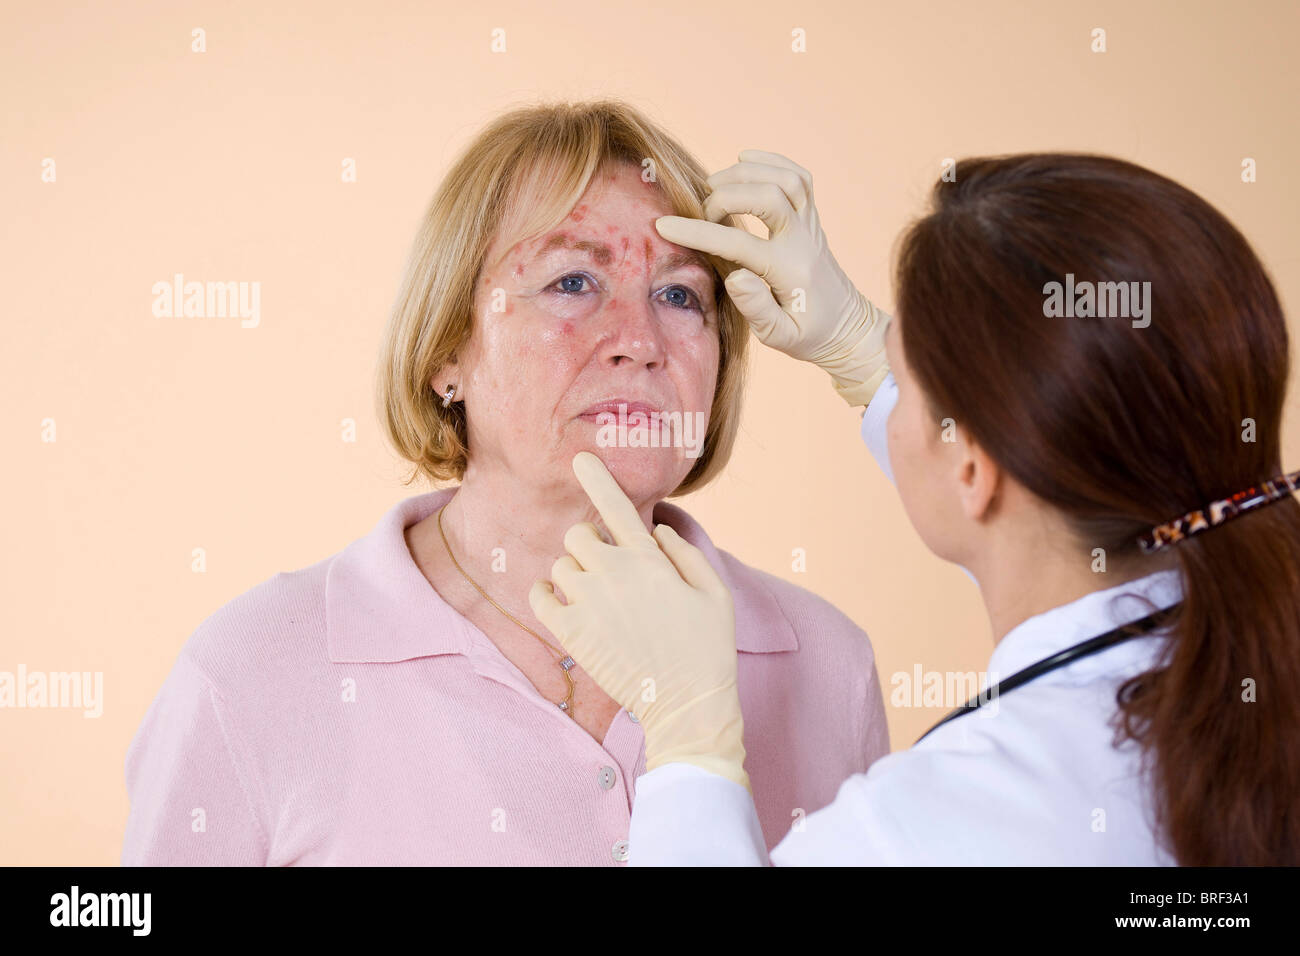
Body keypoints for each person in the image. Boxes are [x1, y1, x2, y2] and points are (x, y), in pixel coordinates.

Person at [120, 105, 891, 866]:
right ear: (445, 353)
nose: (639, 341)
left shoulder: (827, 663)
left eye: (680, 294)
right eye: (573, 282)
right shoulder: (251, 674)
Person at [530, 150, 1300, 865]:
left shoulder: (927, 826)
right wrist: (857, 343)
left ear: (971, 465)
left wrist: (688, 734)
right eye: (571, 282)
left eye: (901, 372)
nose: (636, 341)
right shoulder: (1243, 642)